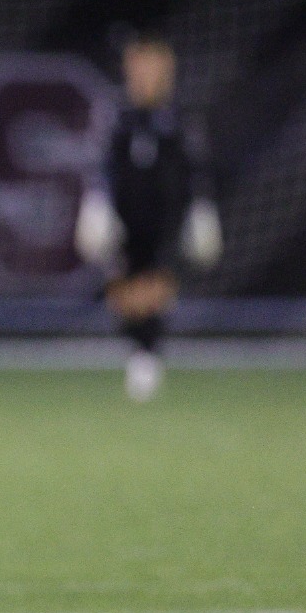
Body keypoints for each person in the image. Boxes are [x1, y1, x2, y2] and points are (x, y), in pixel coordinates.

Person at [74, 31, 220, 401]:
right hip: (125, 217)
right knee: (124, 292)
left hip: (165, 218)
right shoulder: (118, 119)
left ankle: (147, 360)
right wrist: (97, 203)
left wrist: (201, 208)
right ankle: (140, 355)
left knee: (155, 288)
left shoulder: (179, 120)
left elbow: (193, 170)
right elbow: (104, 166)